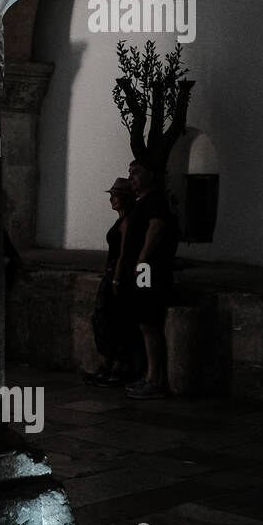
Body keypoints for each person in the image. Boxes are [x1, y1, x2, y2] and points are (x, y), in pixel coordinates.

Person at [114, 159, 179, 400]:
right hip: (139, 272)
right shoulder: (139, 202)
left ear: (150, 174)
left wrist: (142, 260)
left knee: (148, 322)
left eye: (136, 172)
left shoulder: (154, 200)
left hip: (148, 272)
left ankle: (155, 380)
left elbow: (156, 228)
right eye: (129, 172)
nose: (131, 177)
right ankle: (148, 375)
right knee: (142, 322)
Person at [84, 177, 141, 386]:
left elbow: (124, 253)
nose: (111, 200)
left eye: (115, 196)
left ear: (124, 199)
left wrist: (116, 279)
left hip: (117, 275)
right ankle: (106, 364)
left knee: (114, 320)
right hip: (111, 273)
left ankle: (117, 366)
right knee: (104, 319)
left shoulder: (126, 222)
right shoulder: (122, 220)